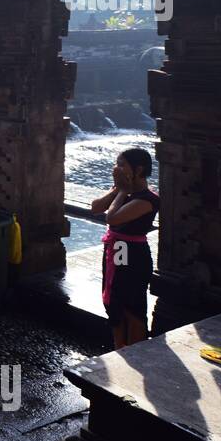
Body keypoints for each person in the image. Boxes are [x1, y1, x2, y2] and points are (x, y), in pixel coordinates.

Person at [90, 149, 159, 350]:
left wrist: (121, 191)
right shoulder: (123, 192)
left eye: (122, 165)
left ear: (138, 169)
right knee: (115, 301)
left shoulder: (149, 199)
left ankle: (137, 351)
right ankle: (118, 348)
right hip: (117, 252)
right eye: (116, 163)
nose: (116, 169)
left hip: (134, 255)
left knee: (133, 305)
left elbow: (113, 218)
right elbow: (95, 207)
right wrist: (117, 190)